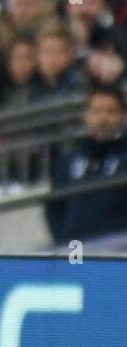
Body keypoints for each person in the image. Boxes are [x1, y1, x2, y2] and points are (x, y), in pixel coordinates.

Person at [45, 86, 127, 244]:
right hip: (74, 248)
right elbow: (54, 204)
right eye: (97, 111)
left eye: (111, 112)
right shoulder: (71, 158)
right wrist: (63, 237)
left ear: (122, 116)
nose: (103, 119)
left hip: (118, 249)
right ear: (87, 116)